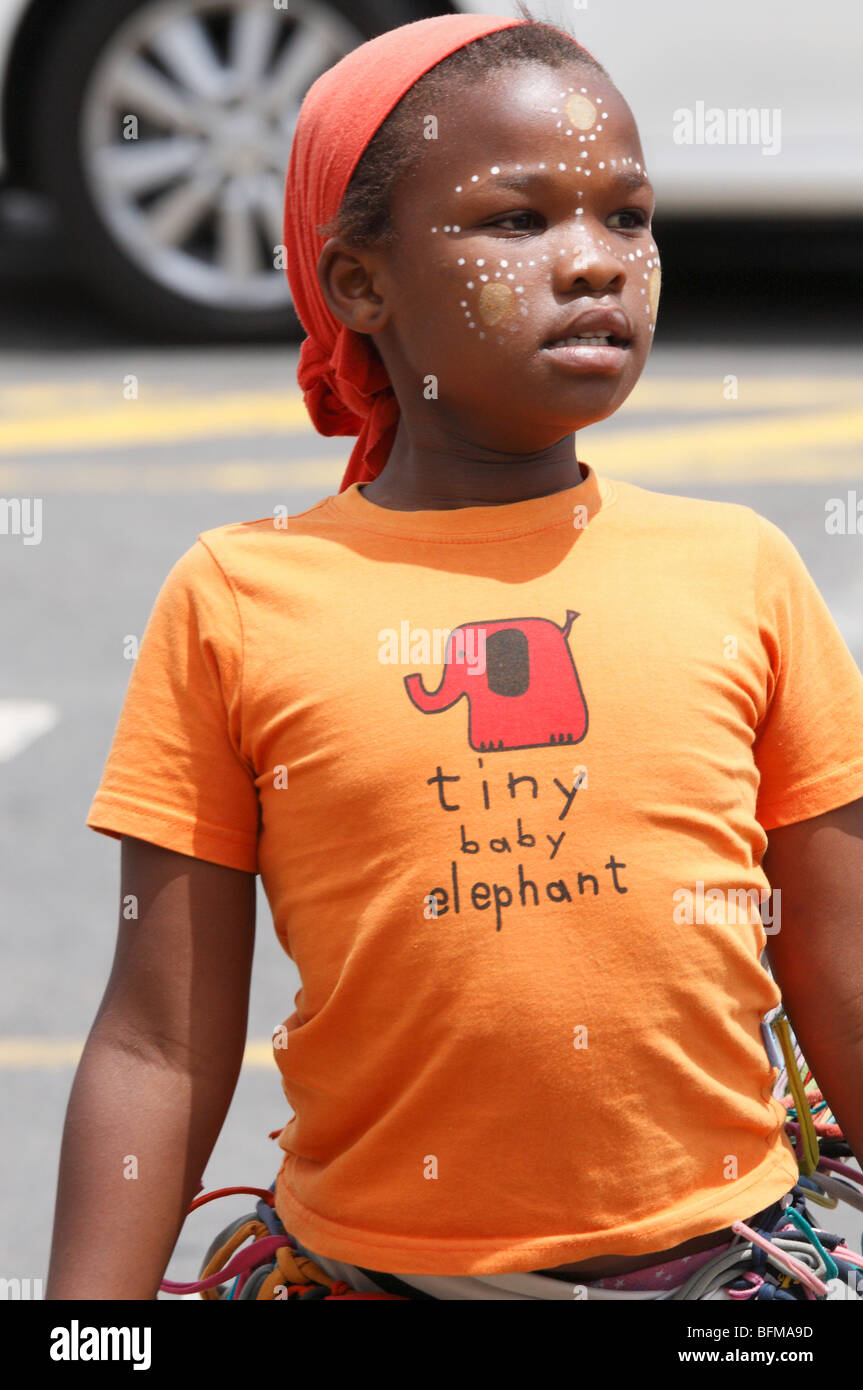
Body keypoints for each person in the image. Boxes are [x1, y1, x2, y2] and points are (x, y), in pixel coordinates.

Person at [46, 8, 863, 1301]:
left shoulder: (744, 567)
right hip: (367, 1274)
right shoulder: (239, 597)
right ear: (360, 284)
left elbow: (840, 958)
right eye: (517, 220)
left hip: (725, 1277)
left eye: (628, 216)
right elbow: (158, 1040)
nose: (594, 261)